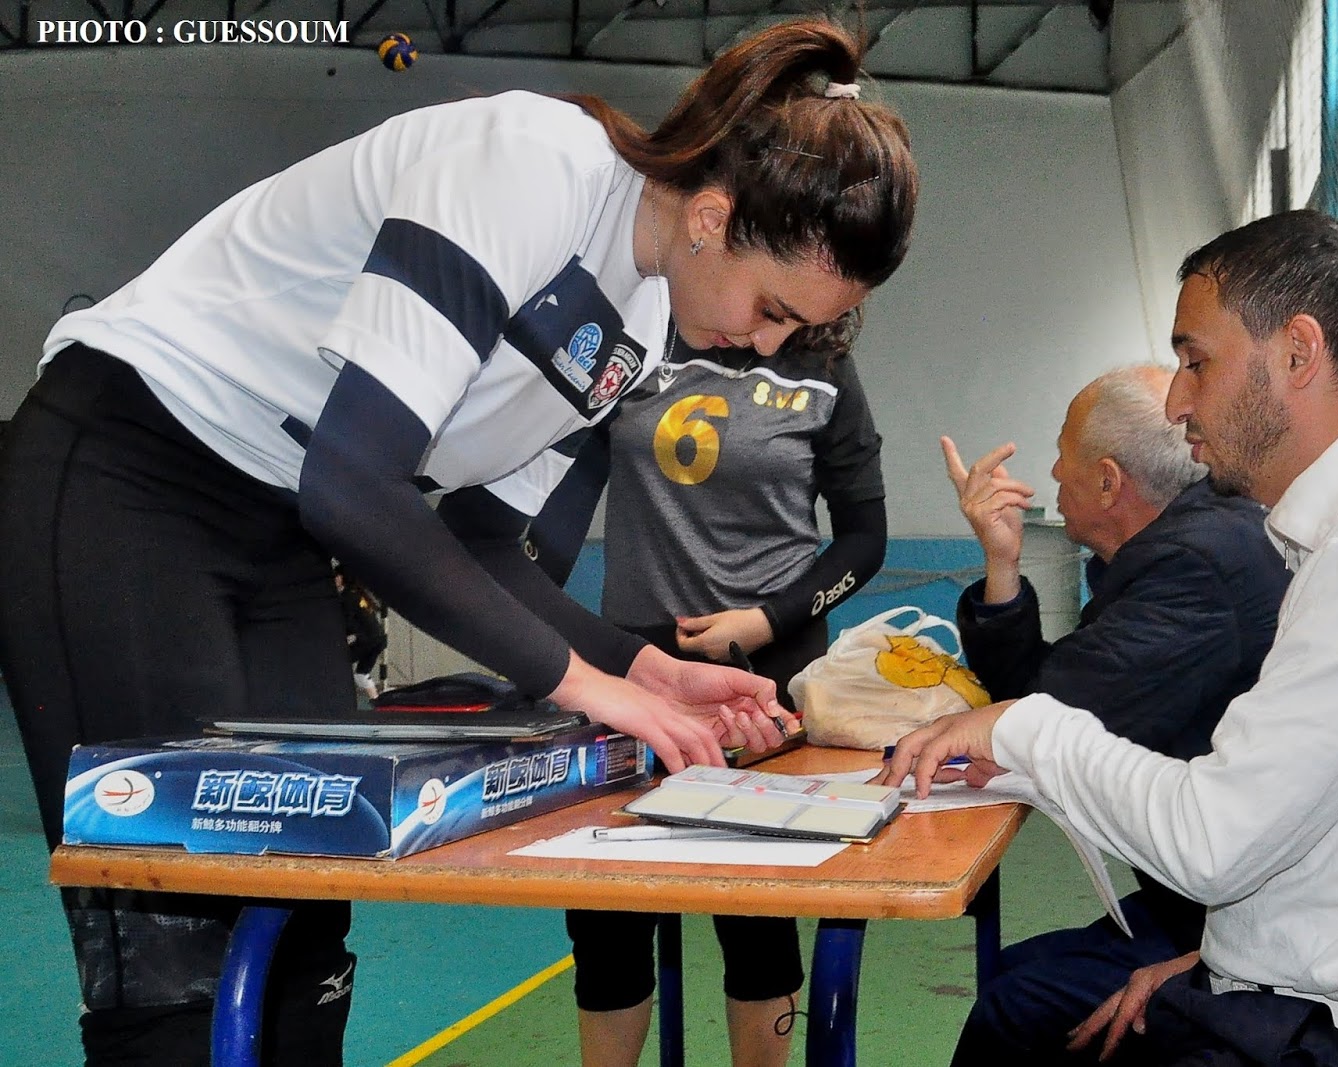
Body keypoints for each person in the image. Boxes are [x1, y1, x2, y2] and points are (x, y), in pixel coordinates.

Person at [0, 17, 917, 1065]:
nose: (765, 345)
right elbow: (356, 484)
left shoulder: (643, 316)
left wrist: (646, 667)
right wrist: (584, 682)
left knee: (305, 901)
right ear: (713, 214)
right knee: (174, 927)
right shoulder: (535, 165)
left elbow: (488, 547)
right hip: (129, 467)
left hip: (276, 521)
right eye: (771, 308)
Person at [884, 210, 1338, 1067]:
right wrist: (1221, 960)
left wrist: (1022, 727)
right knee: (1034, 1012)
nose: (1178, 402)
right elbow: (1337, 822)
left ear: (1297, 352)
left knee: (1025, 1024)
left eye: (1195, 361)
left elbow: (1212, 842)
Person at [530, 313, 886, 1066]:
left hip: (765, 681)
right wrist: (529, 631)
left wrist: (770, 619)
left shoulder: (824, 367)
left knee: (757, 913)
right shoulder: (640, 332)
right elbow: (554, 489)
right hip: (633, 672)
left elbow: (865, 538)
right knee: (607, 913)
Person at [939, 364, 1290, 1065]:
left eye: (1062, 454)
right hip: (1217, 901)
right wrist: (1002, 563)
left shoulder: (1195, 569)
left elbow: (1041, 708)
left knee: (1014, 1010)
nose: (1050, 472)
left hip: (1255, 924)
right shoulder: (1189, 545)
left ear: (1107, 480)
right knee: (1014, 975)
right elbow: (1051, 695)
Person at [333, 564, 386, 700]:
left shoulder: (347, 597)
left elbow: (347, 622)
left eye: (336, 576)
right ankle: (377, 704)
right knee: (361, 675)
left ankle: (341, 699)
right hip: (377, 639)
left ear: (341, 578)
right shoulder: (357, 594)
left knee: (338, 661)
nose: (334, 579)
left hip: (367, 639)